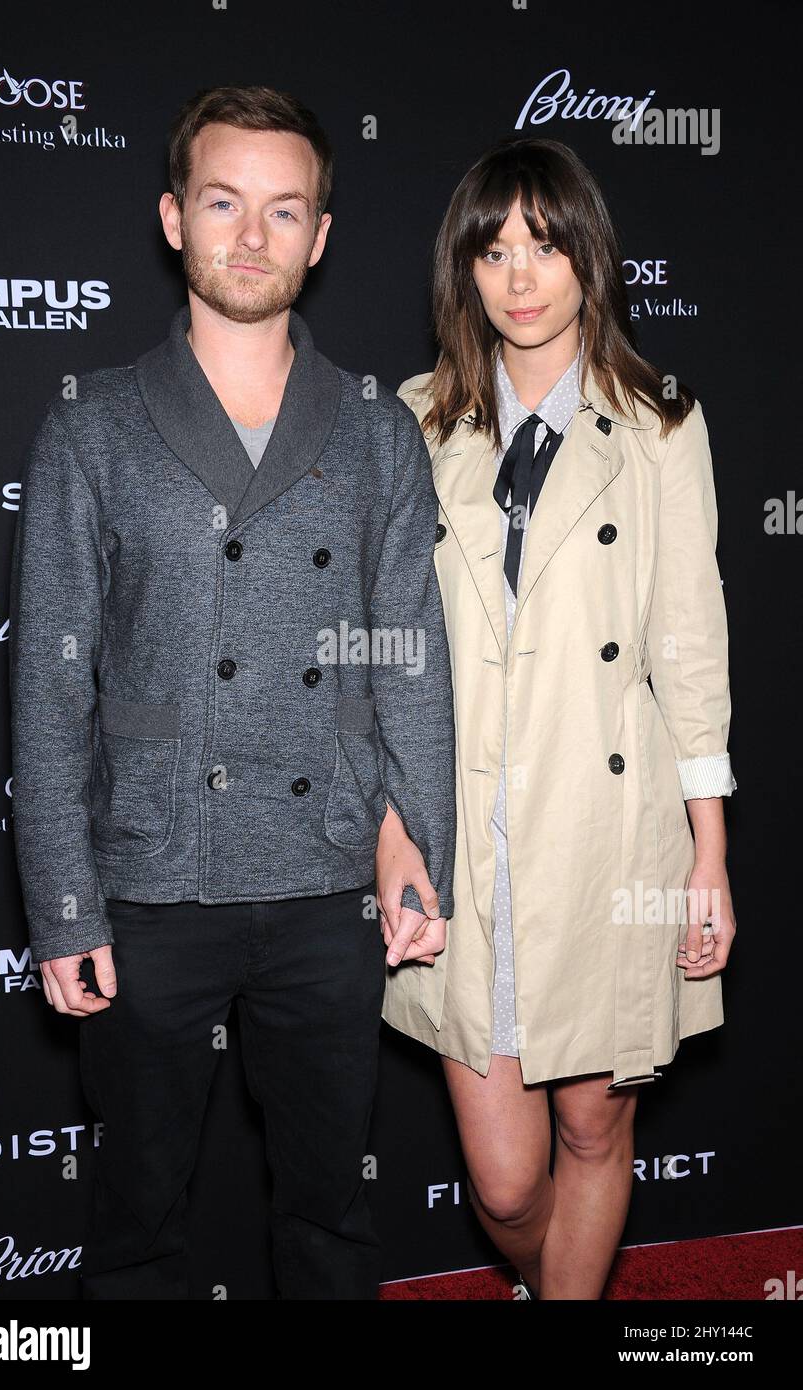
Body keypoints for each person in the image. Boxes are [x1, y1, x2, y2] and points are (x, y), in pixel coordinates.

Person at [8, 84, 456, 1300]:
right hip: (152, 882)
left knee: (331, 1222)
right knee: (140, 1227)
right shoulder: (91, 426)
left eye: (283, 210)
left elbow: (403, 650)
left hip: (326, 889)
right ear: (172, 218)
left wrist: (419, 842)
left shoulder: (375, 432)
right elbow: (54, 687)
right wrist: (64, 904)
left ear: (319, 236)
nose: (250, 236)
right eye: (223, 203)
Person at [382, 136, 737, 1300]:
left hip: (606, 835)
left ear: (588, 253)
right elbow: (385, 659)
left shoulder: (660, 425)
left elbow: (689, 646)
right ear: (464, 270)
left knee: (595, 1133)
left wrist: (709, 854)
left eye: (543, 243)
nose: (520, 274)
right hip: (468, 839)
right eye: (493, 249)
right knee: (503, 1184)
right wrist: (394, 832)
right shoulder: (415, 423)